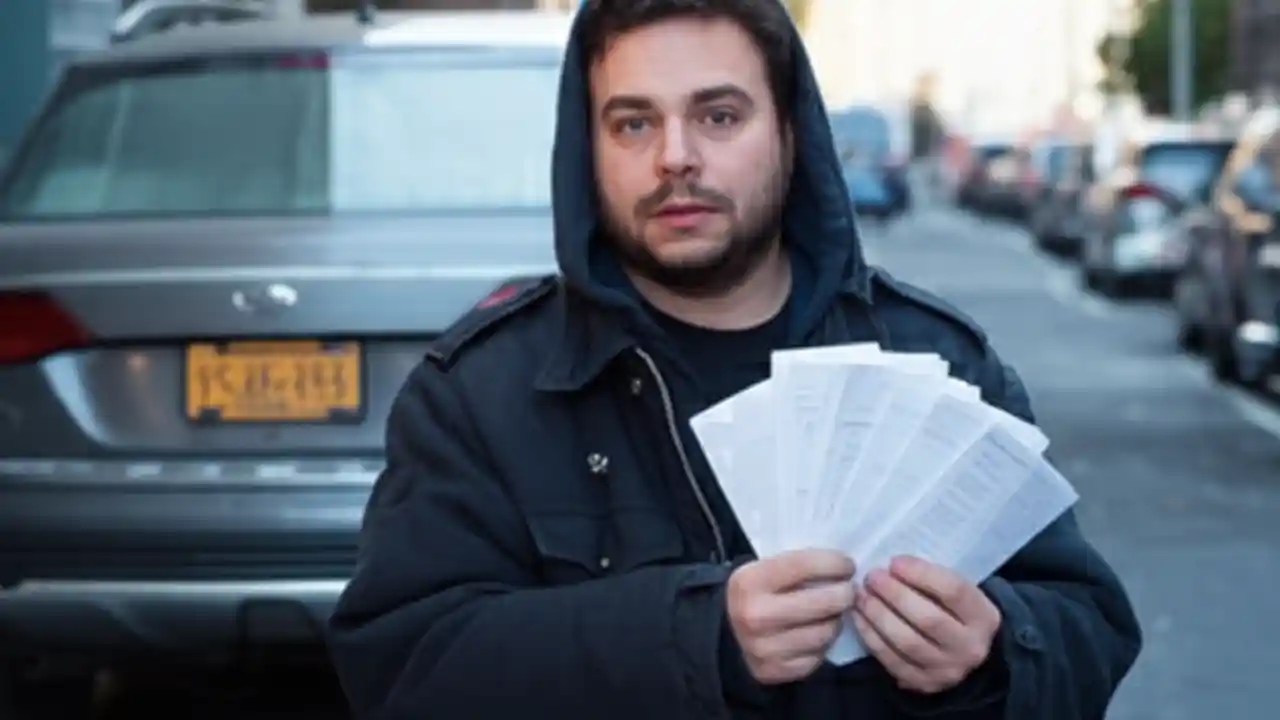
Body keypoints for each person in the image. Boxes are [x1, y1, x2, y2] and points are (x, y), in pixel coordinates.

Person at [326, 2, 1142, 718]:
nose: (675, 156)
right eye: (634, 122)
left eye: (718, 116)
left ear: (791, 132)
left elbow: (1089, 627)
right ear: (589, 149)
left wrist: (994, 652)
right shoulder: (482, 392)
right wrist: (696, 638)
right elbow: (405, 666)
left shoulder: (936, 358)